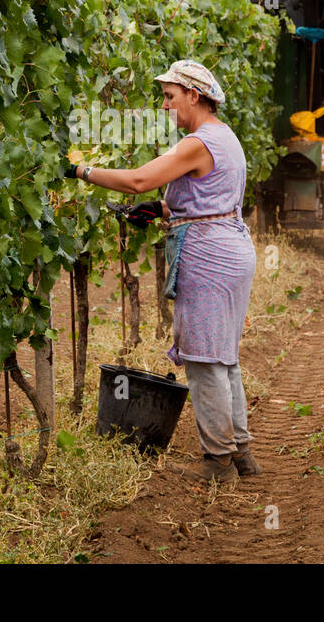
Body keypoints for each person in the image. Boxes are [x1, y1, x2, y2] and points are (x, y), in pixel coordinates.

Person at [68, 59, 258, 484]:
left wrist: (82, 171)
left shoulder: (197, 142)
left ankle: (218, 461)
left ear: (194, 95)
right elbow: (207, 197)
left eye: (170, 97)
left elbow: (138, 179)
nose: (165, 106)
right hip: (230, 248)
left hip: (210, 256)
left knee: (204, 358)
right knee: (224, 356)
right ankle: (241, 452)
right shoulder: (224, 137)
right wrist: (160, 209)